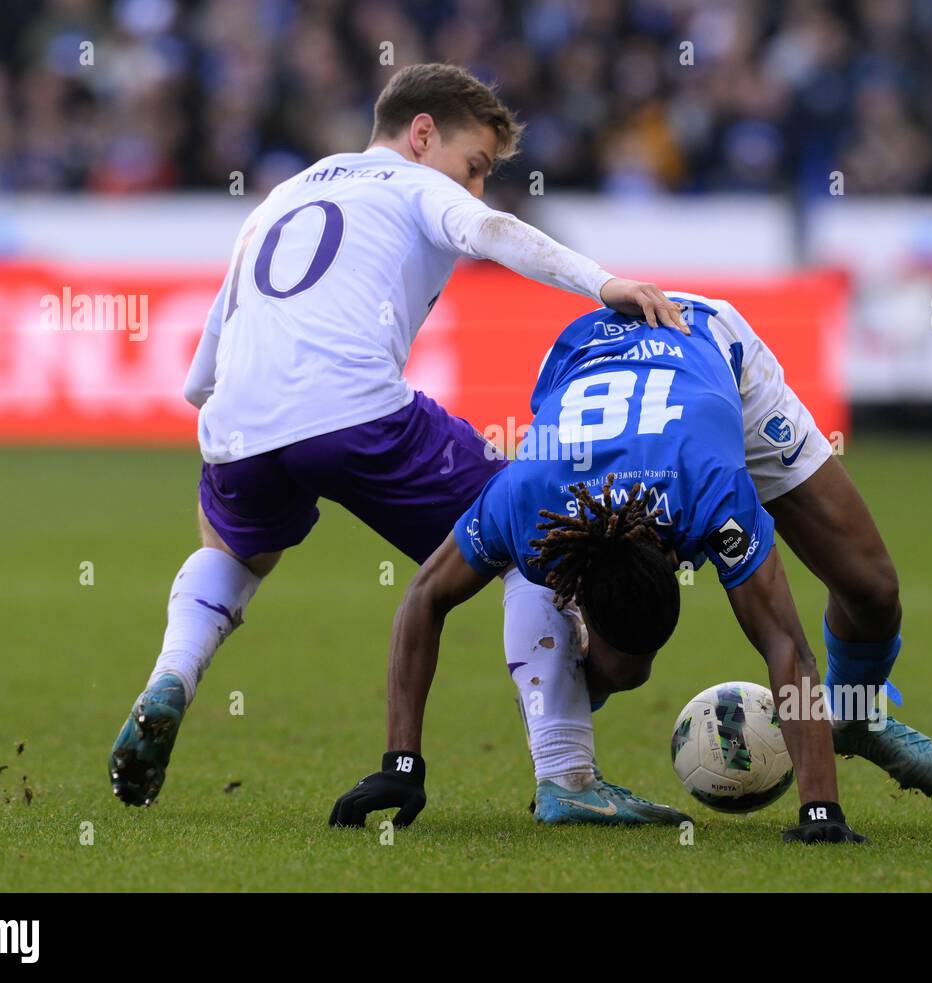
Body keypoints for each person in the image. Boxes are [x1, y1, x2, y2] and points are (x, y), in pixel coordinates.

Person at [107, 62, 689, 811]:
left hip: (239, 421)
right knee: (534, 524)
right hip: (354, 407)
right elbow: (494, 232)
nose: (473, 187)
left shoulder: (280, 198)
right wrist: (605, 283)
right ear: (421, 135)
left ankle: (171, 677)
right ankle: (567, 776)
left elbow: (200, 376)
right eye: (473, 165)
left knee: (232, 553)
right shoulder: (415, 183)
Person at [330, 294, 932, 840]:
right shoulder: (525, 496)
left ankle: (849, 711)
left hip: (710, 348)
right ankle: (568, 763)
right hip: (586, 352)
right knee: (612, 661)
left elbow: (784, 644)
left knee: (871, 589)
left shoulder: (714, 492)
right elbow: (423, 598)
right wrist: (400, 764)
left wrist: (820, 812)